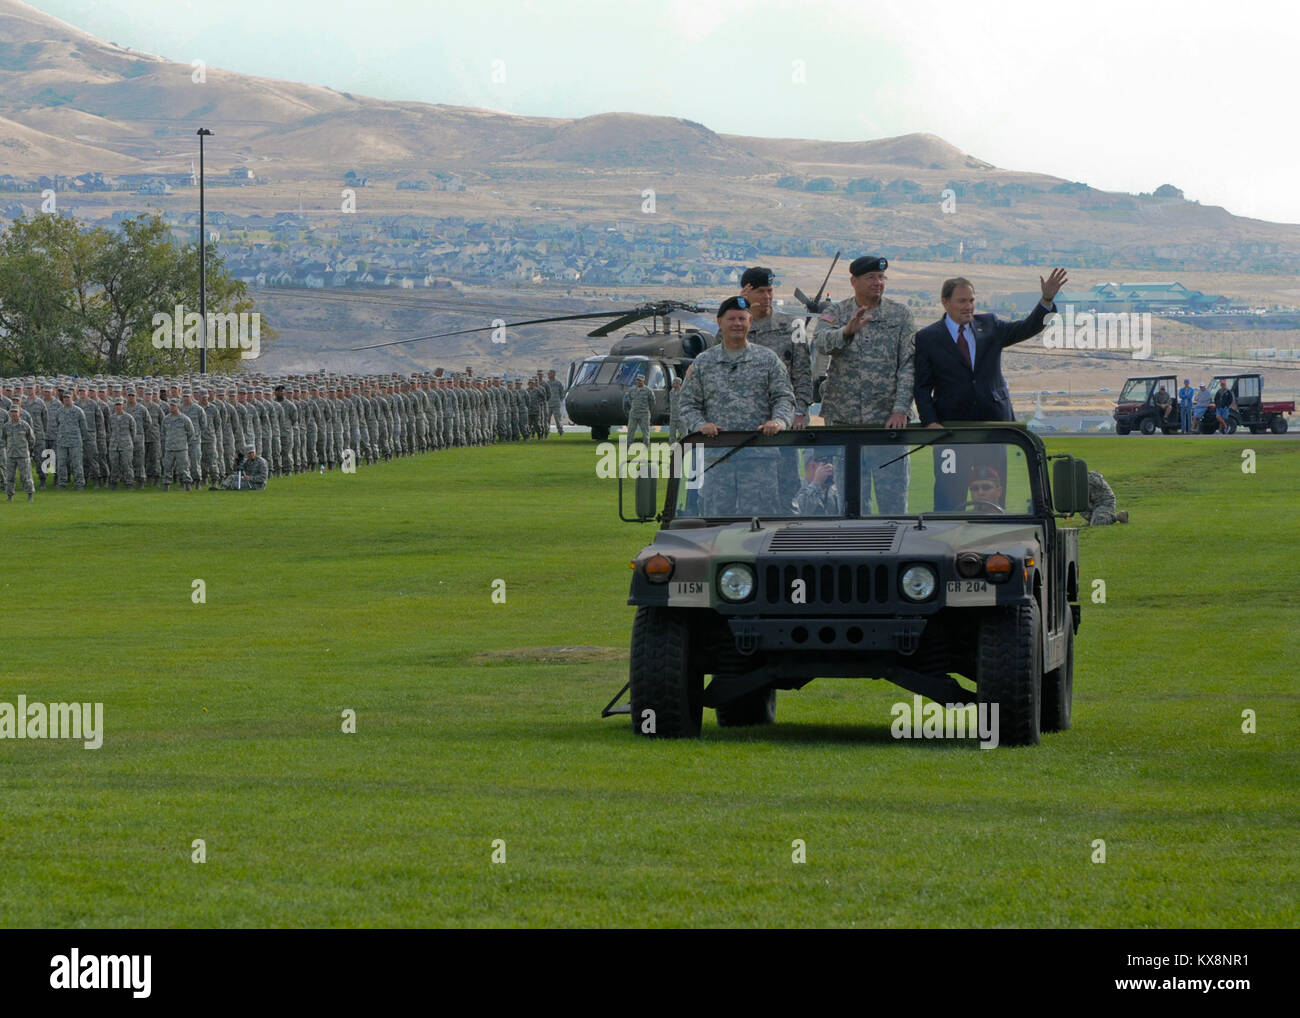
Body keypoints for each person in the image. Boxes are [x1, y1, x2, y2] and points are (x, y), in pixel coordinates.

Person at [914, 268, 1066, 509]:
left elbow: (1028, 327)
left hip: (994, 428)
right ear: (945, 302)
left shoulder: (990, 325)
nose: (968, 306)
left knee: (991, 494)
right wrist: (930, 422)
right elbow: (921, 387)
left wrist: (1046, 301)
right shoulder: (927, 338)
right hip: (951, 432)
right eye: (962, 301)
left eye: (972, 300)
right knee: (948, 496)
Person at [812, 255, 915, 513]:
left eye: (881, 277)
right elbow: (821, 342)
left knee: (893, 503)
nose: (878, 282)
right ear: (854, 281)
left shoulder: (900, 315)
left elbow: (909, 365)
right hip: (845, 423)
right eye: (871, 278)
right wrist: (846, 332)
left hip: (887, 424)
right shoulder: (835, 312)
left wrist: (900, 408)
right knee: (852, 503)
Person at [677, 295, 795, 516]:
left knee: (760, 524)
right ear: (720, 322)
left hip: (759, 460)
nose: (737, 324)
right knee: (716, 524)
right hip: (718, 460)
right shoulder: (704, 362)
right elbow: (687, 404)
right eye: (731, 319)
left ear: (750, 322)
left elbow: (784, 397)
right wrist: (700, 425)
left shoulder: (768, 359)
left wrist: (778, 421)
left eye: (742, 318)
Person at [161, 399, 197, 491]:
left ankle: (187, 485)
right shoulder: (166, 419)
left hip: (181, 448)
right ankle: (166, 486)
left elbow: (191, 433)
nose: (172, 407)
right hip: (169, 448)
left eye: (174, 406)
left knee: (184, 468)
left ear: (178, 407)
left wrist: (182, 441)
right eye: (171, 406)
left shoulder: (184, 419)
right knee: (167, 468)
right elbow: (163, 432)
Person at [2, 404, 35, 502]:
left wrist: (28, 450)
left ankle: (30, 495)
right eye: (12, 412)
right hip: (11, 455)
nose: (14, 414)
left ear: (19, 413)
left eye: (15, 412)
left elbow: (32, 439)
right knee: (10, 477)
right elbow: (3, 439)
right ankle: (10, 496)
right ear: (9, 413)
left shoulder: (24, 425)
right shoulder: (6, 426)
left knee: (26, 476)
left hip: (23, 455)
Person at [626, 375, 653, 447]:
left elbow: (652, 401)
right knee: (630, 431)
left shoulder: (648, 390)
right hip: (633, 413)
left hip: (644, 414)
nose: (638, 381)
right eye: (637, 380)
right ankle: (628, 447)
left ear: (643, 381)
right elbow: (629, 399)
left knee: (645, 432)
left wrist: (645, 408)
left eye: (640, 380)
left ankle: (646, 446)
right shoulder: (631, 390)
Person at [667, 377, 684, 445]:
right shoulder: (671, 392)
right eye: (673, 382)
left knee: (684, 434)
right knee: (672, 434)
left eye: (674, 383)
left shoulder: (684, 392)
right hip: (673, 416)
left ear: (678, 383)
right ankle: (672, 448)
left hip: (682, 417)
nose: (672, 384)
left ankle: (685, 449)